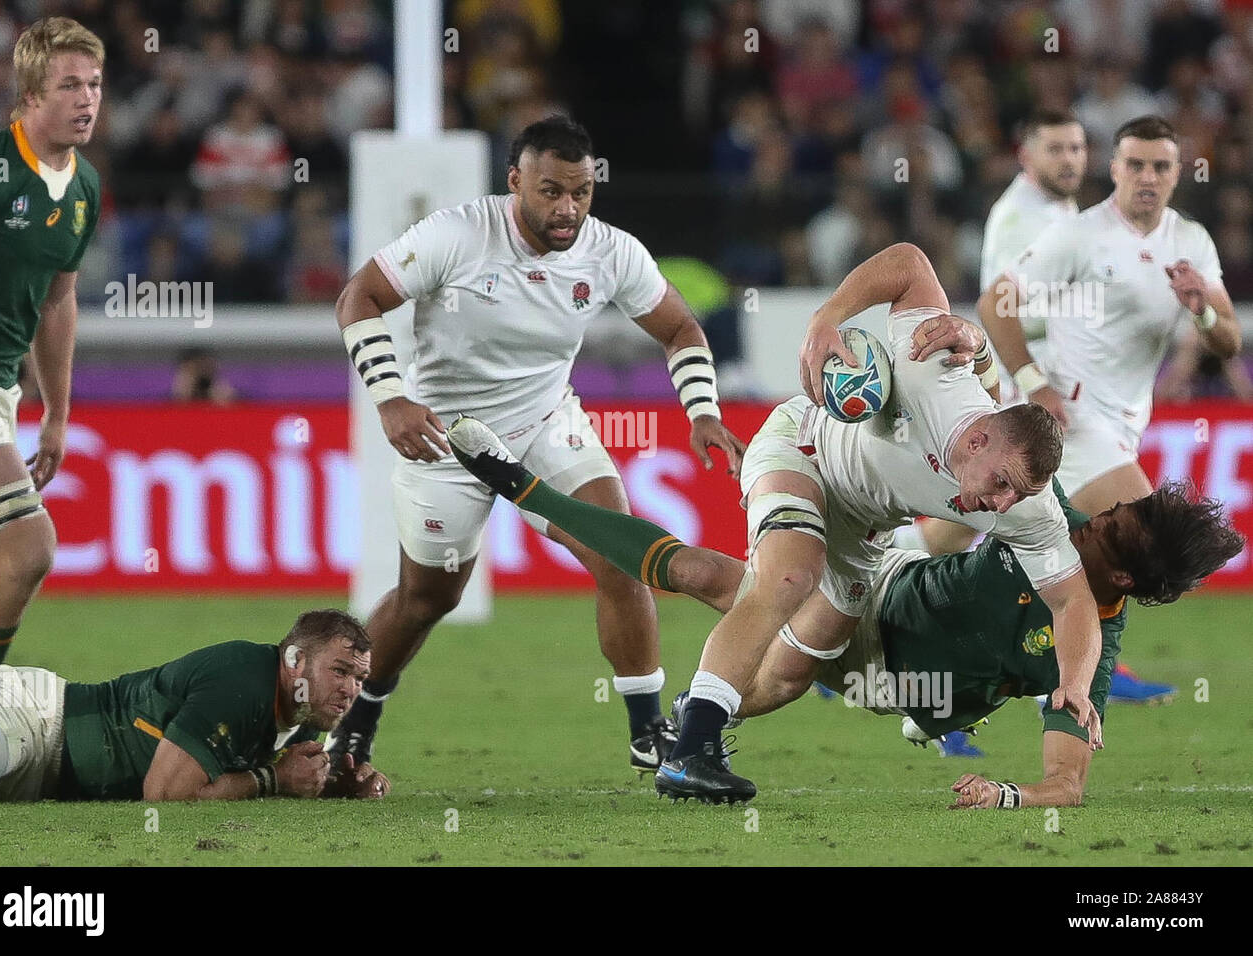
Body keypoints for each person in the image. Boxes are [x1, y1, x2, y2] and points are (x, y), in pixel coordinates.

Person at [451, 242, 1108, 804]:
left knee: (789, 669)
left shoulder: (1024, 502)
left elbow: (1072, 599)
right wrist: (829, 318)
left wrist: (1075, 684)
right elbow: (910, 262)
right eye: (998, 483)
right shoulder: (935, 369)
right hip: (802, 448)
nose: (999, 505)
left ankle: (689, 707)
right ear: (978, 443)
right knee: (789, 575)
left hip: (862, 531)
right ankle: (693, 753)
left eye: (1014, 495)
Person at [441, 422, 1242, 807]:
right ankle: (522, 489)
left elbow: (1065, 784)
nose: (1092, 517)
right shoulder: (1043, 510)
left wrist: (1010, 796)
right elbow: (990, 469)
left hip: (893, 676)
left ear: (1128, 573)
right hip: (887, 580)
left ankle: (689, 730)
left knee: (782, 647)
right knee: (704, 572)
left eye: (1111, 526)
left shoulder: (1089, 652)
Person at [329, 116, 747, 774]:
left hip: (544, 425)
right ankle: (357, 718)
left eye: (581, 192)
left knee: (620, 552)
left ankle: (649, 733)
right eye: (551, 191)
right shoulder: (459, 233)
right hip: (447, 436)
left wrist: (701, 410)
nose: (568, 208)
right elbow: (361, 296)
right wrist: (391, 397)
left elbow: (680, 329)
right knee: (428, 598)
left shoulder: (609, 252)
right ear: (516, 181)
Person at [918, 110, 1175, 722]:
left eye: (1078, 147)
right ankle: (1075, 668)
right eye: (1055, 148)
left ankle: (857, 609)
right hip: (1031, 400)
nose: (1070, 160)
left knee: (959, 525)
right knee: (1131, 522)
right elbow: (1008, 307)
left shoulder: (1063, 216)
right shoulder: (1022, 218)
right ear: (1025, 154)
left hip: (1049, 398)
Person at [979, 114, 1241, 692]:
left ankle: (970, 662)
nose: (1148, 176)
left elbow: (1229, 340)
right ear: (1116, 168)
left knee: (1013, 544)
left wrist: (1199, 309)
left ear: (1177, 173)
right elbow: (994, 303)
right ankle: (1086, 679)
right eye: (1136, 164)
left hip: (1124, 423)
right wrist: (1032, 380)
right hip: (1071, 418)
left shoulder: (1189, 240)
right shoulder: (1079, 235)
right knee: (1146, 538)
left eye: (1161, 166)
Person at [0, 17, 103, 677]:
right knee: (30, 549)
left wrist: (59, 413)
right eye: (69, 85)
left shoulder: (83, 188)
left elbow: (57, 301)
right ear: (30, 95)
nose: (87, 99)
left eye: (94, 84)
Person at [0, 608, 389, 802]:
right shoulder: (241, 676)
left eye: (360, 678)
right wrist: (273, 779)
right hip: (32, 714)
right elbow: (164, 794)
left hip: (37, 785)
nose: (351, 689)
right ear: (294, 661)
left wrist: (335, 785)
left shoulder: (303, 718)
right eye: (340, 670)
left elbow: (263, 776)